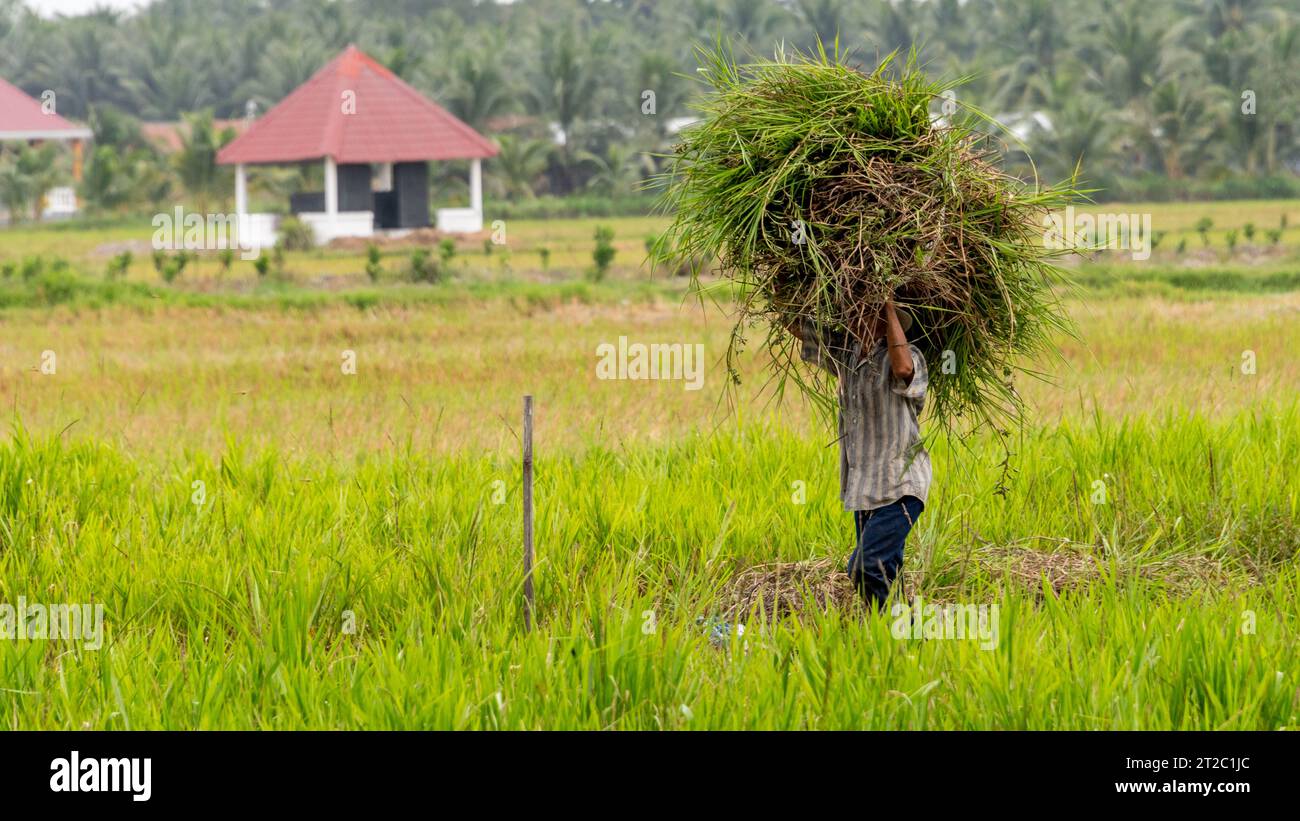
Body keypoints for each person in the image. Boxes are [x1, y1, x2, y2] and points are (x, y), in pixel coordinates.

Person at [785, 300, 931, 611]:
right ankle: (900, 637)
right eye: (856, 313)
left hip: (900, 486)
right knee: (885, 573)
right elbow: (796, 326)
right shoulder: (846, 357)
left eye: (870, 316)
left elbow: (903, 369)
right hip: (864, 488)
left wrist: (887, 303)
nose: (859, 320)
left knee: (864, 567)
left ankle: (888, 630)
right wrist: (782, 285)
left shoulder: (908, 358)